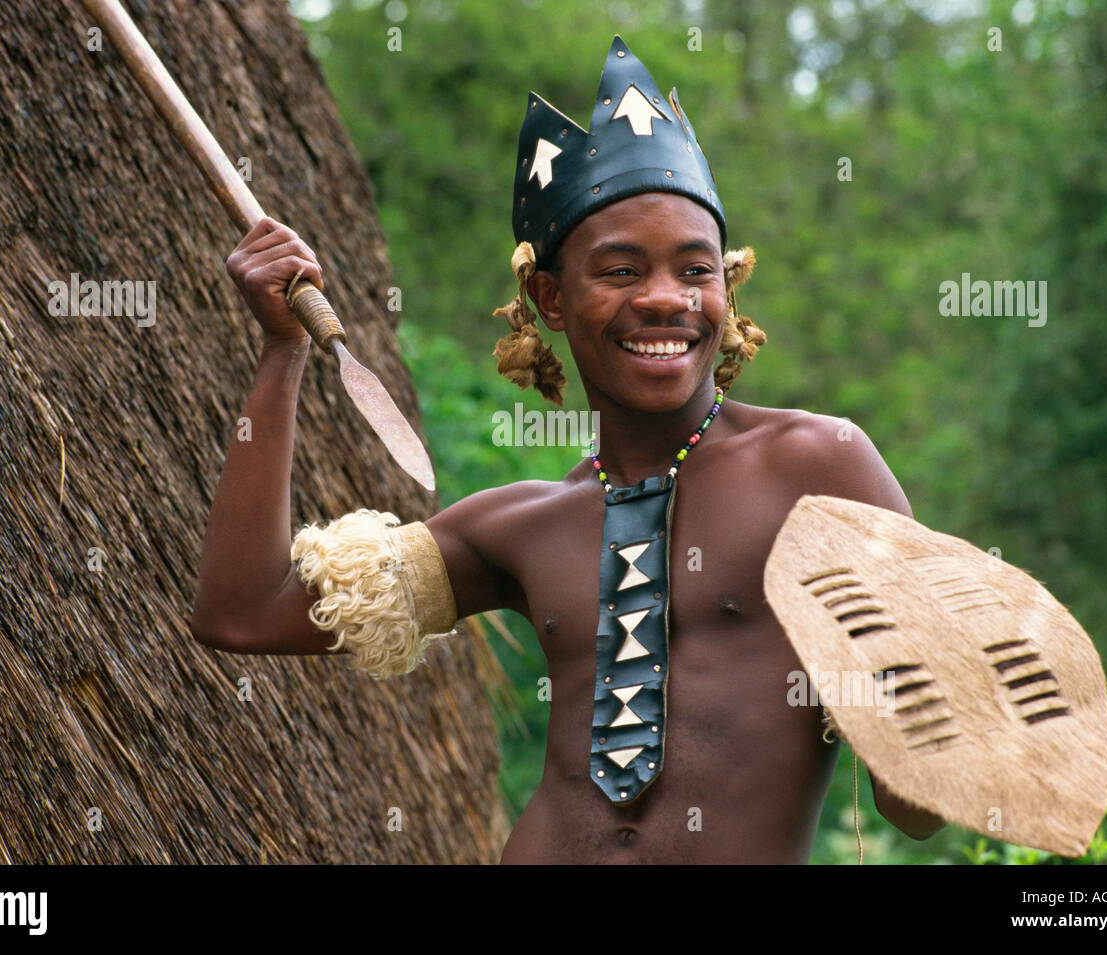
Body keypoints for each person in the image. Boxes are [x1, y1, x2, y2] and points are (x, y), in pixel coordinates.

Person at [191, 36, 945, 863]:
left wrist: (903, 684)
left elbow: (918, 809)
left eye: (696, 271)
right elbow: (243, 609)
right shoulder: (521, 526)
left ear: (728, 291)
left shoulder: (819, 467)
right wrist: (282, 350)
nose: (665, 299)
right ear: (549, 297)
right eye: (621, 270)